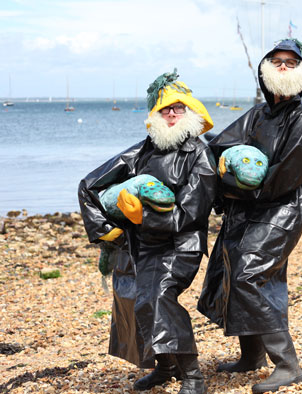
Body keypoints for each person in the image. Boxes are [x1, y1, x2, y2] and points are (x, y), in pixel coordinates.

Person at [78, 70, 216, 394]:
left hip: (182, 243)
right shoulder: (142, 152)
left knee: (160, 296)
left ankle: (193, 375)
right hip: (143, 245)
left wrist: (142, 218)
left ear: (189, 112)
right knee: (139, 301)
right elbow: (89, 185)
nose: (171, 113)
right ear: (154, 114)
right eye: (164, 108)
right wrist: (107, 231)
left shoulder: (199, 155)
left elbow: (189, 214)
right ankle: (165, 367)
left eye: (177, 108)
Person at [197, 38, 302, 393]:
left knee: (249, 275)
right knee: (232, 270)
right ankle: (251, 355)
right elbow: (218, 146)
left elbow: (286, 176)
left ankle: (287, 364)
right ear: (265, 68)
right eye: (277, 61)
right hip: (246, 209)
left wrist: (236, 188)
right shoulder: (256, 114)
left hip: (282, 210)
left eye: (291, 62)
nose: (283, 66)